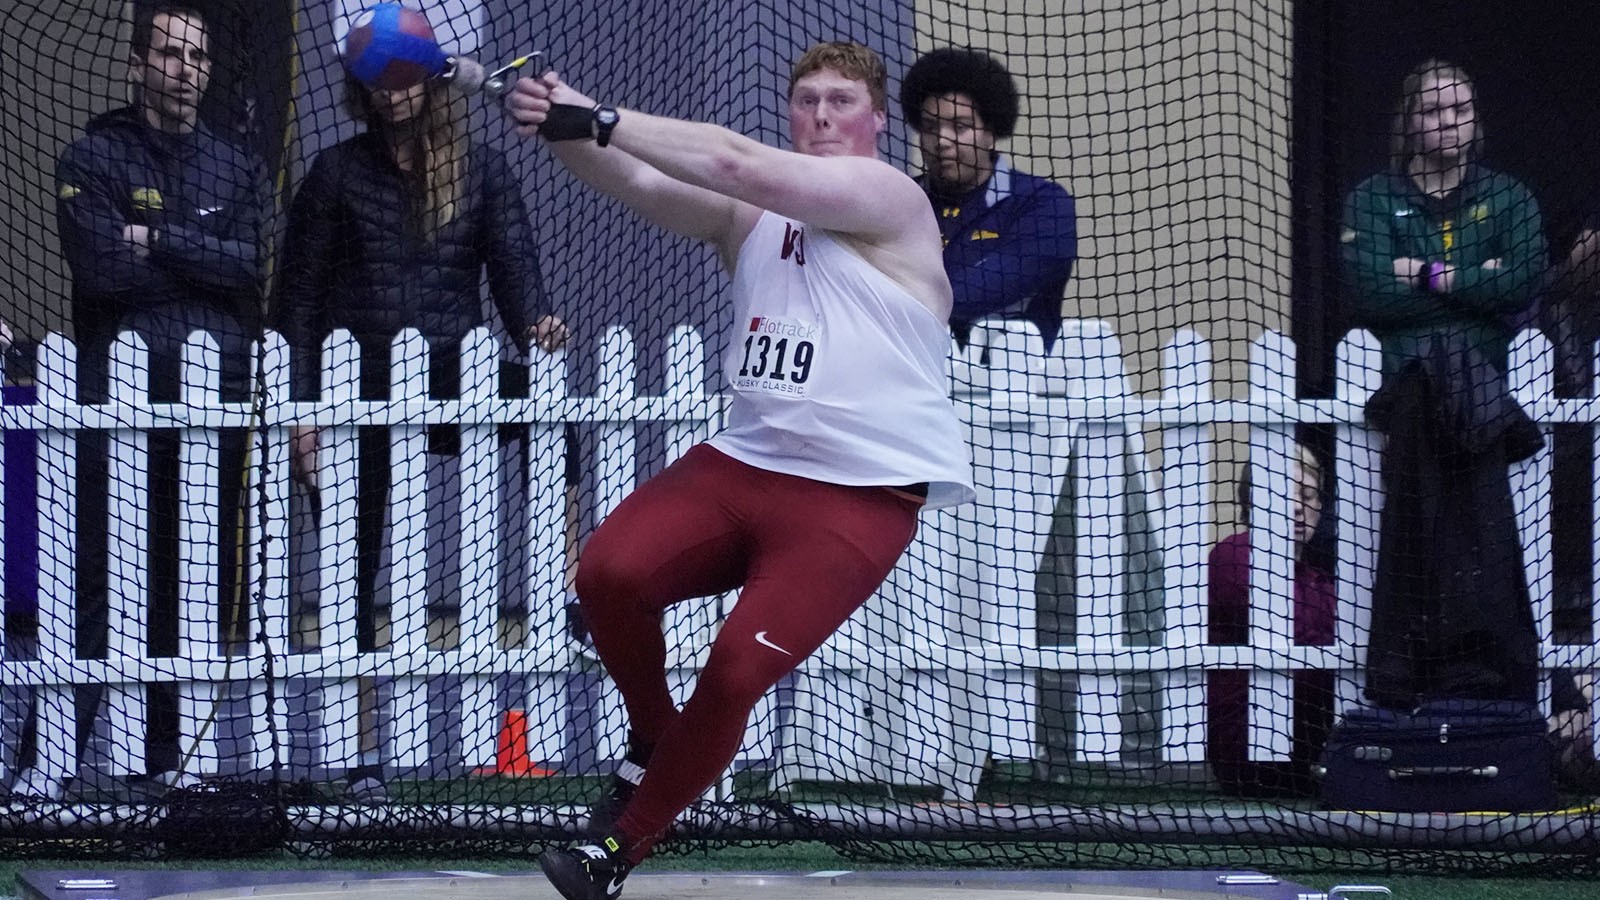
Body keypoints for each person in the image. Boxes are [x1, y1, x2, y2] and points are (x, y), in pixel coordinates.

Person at [505, 40, 975, 900]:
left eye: (841, 102)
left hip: (858, 494)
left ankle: (620, 849)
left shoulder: (890, 197)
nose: (823, 117)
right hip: (747, 463)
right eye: (806, 102)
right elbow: (638, 183)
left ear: (876, 122)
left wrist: (602, 115)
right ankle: (653, 738)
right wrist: (556, 121)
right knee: (608, 573)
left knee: (732, 671)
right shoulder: (749, 215)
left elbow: (733, 160)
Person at [275, 14, 568, 801]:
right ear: (361, 89)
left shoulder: (482, 172)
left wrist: (537, 322)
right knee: (353, 566)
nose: (395, 98)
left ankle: (577, 579)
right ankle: (362, 752)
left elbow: (516, 277)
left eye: (407, 82)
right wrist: (302, 413)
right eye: (381, 85)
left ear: (433, 84)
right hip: (355, 391)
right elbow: (295, 304)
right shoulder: (334, 174)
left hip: (452, 374)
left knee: (559, 423)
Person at [52, 2, 262, 799]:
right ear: (138, 62)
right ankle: (54, 763)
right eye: (170, 56)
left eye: (197, 58)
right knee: (100, 588)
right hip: (116, 414)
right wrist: (195, 256)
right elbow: (102, 272)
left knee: (189, 589)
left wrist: (160, 239)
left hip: (208, 415)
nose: (185, 72)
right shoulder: (93, 155)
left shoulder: (235, 166)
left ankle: (168, 766)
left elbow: (248, 268)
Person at [1341, 60, 1546, 708]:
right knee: (1435, 377)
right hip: (1406, 384)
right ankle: (1446, 667)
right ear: (1410, 122)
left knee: (1454, 379)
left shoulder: (1509, 197)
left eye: (1460, 110)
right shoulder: (1373, 198)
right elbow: (1373, 296)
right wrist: (1469, 279)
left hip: (1487, 389)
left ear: (1475, 120)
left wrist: (1426, 275)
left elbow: (1521, 283)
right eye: (1433, 110)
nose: (1448, 122)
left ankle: (1453, 669)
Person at [897, 47, 1077, 349]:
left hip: (1017, 386)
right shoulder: (900, 202)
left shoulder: (1043, 205)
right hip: (914, 376)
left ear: (991, 132)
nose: (942, 141)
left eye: (960, 127)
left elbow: (982, 290)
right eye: (930, 127)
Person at [1206, 444, 1335, 797]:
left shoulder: (1317, 578)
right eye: (1281, 494)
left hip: (1310, 746)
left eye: (1307, 496)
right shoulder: (1233, 556)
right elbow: (1301, 639)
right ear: (1251, 503)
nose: (1296, 507)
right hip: (1251, 753)